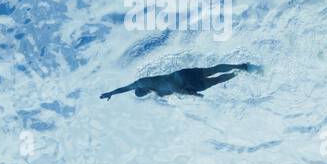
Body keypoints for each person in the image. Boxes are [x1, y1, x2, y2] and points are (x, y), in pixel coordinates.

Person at [100, 63, 260, 100]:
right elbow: (125, 89)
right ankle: (241, 67)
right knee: (213, 71)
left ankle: (239, 70)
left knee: (214, 78)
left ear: (143, 91)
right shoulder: (150, 88)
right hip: (183, 77)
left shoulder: (143, 83)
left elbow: (125, 88)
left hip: (184, 81)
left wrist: (192, 94)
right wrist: (111, 93)